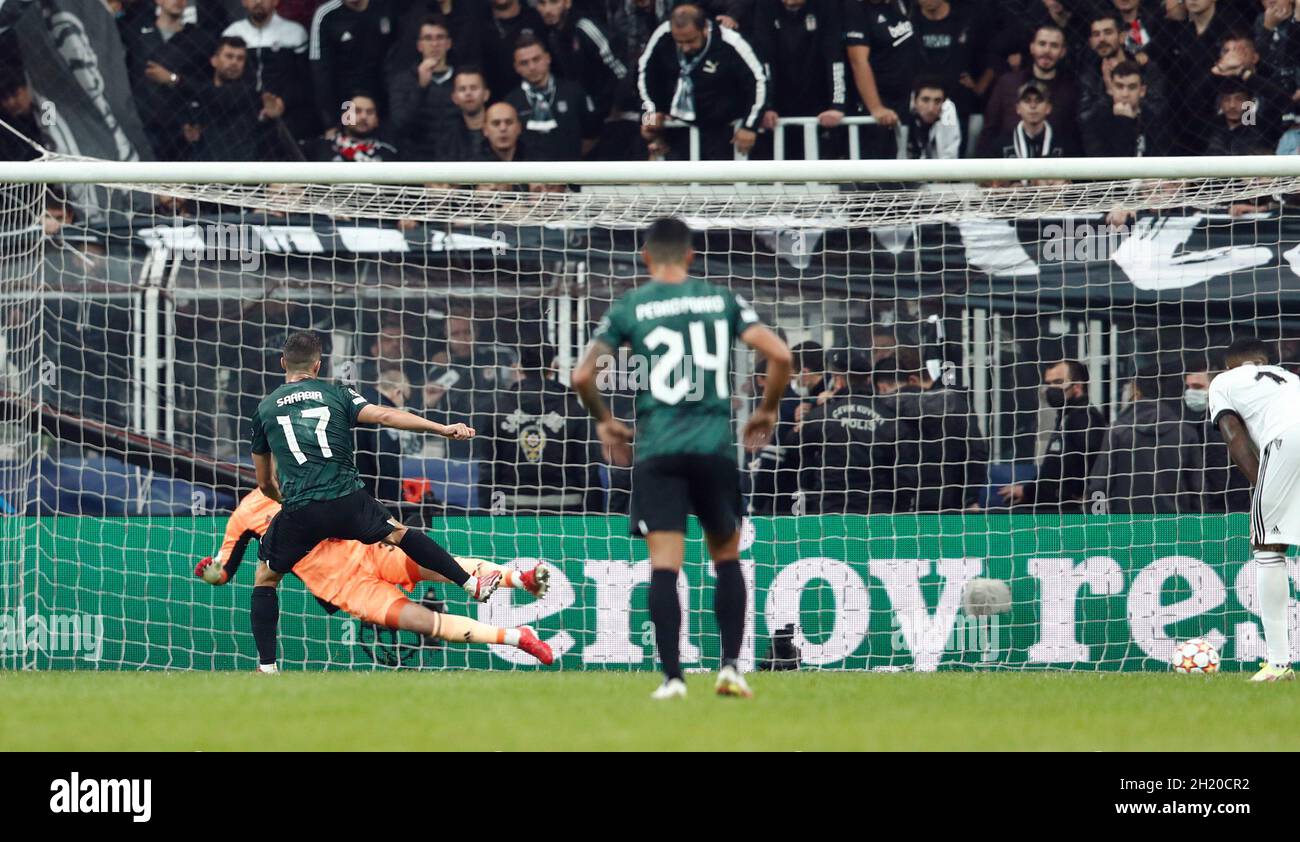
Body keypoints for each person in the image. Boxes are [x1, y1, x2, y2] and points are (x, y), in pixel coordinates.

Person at [571, 216, 793, 699]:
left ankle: (673, 679)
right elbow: (781, 356)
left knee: (665, 566)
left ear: (646, 257)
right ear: (691, 256)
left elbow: (582, 376)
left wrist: (606, 421)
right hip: (714, 448)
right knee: (726, 559)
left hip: (658, 450)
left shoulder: (632, 304)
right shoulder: (722, 299)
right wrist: (768, 409)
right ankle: (731, 668)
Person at [247, 330, 494, 675]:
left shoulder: (265, 409)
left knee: (266, 577)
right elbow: (388, 416)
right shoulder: (338, 394)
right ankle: (469, 583)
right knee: (398, 533)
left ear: (282, 363)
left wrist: (285, 501)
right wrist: (442, 428)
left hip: (302, 507)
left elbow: (264, 483)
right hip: (348, 498)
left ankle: (268, 666)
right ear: (319, 365)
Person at [194, 488, 553, 670]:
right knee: (422, 623)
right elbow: (225, 570)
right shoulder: (244, 516)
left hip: (368, 548)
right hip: (344, 586)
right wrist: (213, 573)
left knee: (439, 566)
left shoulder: (308, 480)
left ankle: (518, 580)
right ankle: (517, 637)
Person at [1208, 337, 1300, 681]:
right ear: (1263, 361)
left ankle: (1278, 665)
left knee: (1268, 547)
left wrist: (1262, 486)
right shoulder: (1291, 379)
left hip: (1287, 438)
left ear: (1230, 365)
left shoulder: (1224, 382)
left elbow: (1234, 436)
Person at [638, 3, 766, 160]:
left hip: (724, 131)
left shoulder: (731, 42)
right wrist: (650, 114)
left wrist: (749, 126)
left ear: (705, 28)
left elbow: (759, 81)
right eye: (679, 42)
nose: (685, 48)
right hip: (679, 132)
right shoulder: (663, 34)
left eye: (691, 41)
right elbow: (644, 75)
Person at [480, 344, 599, 513]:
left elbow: (488, 469)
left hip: (512, 508)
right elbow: (587, 468)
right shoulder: (572, 409)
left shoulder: (498, 408)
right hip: (565, 509)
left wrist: (485, 513)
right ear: (552, 367)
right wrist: (595, 514)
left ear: (519, 368)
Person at [797, 350, 912, 514]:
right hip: (877, 516)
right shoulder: (891, 419)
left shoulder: (822, 416)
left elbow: (799, 456)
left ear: (839, 381)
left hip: (830, 513)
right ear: (867, 379)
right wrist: (898, 510)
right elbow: (904, 477)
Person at [997, 359, 1106, 513]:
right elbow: (1054, 467)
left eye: (1058, 382)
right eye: (1048, 383)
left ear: (1077, 386)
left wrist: (1085, 495)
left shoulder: (1085, 419)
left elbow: (1090, 466)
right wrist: (1029, 491)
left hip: (1070, 515)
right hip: (1054, 510)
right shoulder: (1066, 416)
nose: (1051, 388)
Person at [1085, 372, 1202, 514]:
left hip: (1125, 527)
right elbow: (1198, 490)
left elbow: (1099, 484)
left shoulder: (1117, 432)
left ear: (1136, 390)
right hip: (1175, 528)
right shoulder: (1186, 433)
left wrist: (1097, 525)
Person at [183, 37, 288, 162]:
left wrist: (271, 118)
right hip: (200, 169)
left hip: (244, 170)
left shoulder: (252, 96)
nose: (234, 62)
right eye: (229, 56)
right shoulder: (195, 96)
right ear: (214, 60)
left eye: (240, 58)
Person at [222, 0, 315, 141]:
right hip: (241, 114)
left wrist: (283, 102)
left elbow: (305, 80)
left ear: (276, 2)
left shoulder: (295, 33)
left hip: (287, 114)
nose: (259, 1)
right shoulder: (232, 33)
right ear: (243, 2)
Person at [504, 34, 600, 160]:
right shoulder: (511, 102)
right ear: (516, 67)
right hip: (529, 176)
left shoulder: (573, 92)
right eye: (524, 63)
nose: (532, 67)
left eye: (536, 59)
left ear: (547, 58)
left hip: (571, 173)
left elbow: (592, 134)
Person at [843, 0, 918, 159]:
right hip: (879, 105)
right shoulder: (857, 11)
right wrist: (876, 107)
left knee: (903, 163)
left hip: (904, 102)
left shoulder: (900, 5)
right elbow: (858, 62)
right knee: (877, 169)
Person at [309, 0, 395, 132]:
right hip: (345, 106)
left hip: (386, 104)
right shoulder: (326, 15)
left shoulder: (386, 6)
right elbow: (321, 74)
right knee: (349, 148)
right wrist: (330, 123)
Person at [1184, 357, 1251, 513]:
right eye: (1188, 387)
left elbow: (1217, 477)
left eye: (1197, 386)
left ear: (1213, 388)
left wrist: (1204, 505)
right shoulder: (1205, 419)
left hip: (1224, 510)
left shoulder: (1215, 424)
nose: (1191, 392)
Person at [388, 16, 460, 161]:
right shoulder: (403, 81)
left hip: (456, 162)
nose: (434, 44)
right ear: (419, 45)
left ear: (449, 43)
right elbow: (400, 124)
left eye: (440, 37)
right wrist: (421, 87)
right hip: (417, 163)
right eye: (428, 38)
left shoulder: (462, 80)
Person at [1081, 59, 1170, 157]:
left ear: (1142, 91)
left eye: (1132, 87)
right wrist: (1124, 122)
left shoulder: (1153, 120)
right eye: (1119, 86)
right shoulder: (1097, 121)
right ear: (1111, 89)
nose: (1125, 94)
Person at [301, 92, 400, 161]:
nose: (364, 117)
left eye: (370, 112)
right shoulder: (317, 147)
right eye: (357, 111)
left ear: (377, 120)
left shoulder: (390, 155)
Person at [899, 76, 962, 160]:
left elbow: (950, 156)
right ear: (914, 100)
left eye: (937, 101)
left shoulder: (948, 113)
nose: (931, 108)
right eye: (925, 100)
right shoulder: (902, 117)